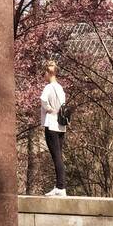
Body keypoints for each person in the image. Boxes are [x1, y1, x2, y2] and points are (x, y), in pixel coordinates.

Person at [39, 62, 67, 197]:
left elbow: (43, 100)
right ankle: (59, 185)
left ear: (49, 73)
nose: (43, 76)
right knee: (59, 155)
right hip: (61, 126)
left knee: (56, 156)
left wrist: (49, 109)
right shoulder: (60, 88)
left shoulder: (49, 87)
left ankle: (60, 186)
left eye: (44, 73)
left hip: (51, 124)